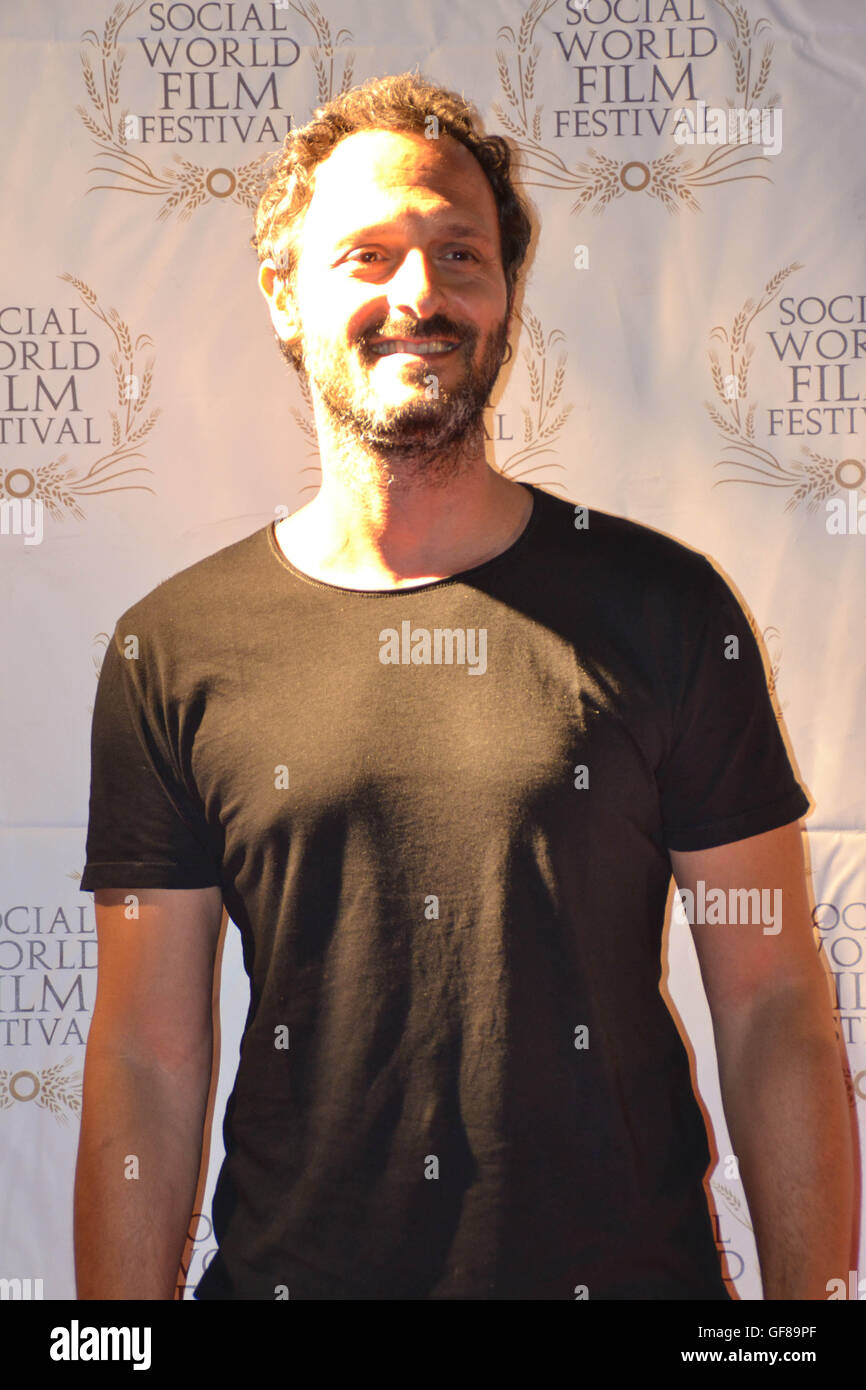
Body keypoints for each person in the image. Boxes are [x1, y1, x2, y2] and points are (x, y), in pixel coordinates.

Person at [75, 72, 854, 1301]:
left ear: (505, 295)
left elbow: (767, 1007)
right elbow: (142, 1057)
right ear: (285, 293)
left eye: (459, 253)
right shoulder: (173, 647)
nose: (418, 295)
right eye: (367, 255)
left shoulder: (665, 609)